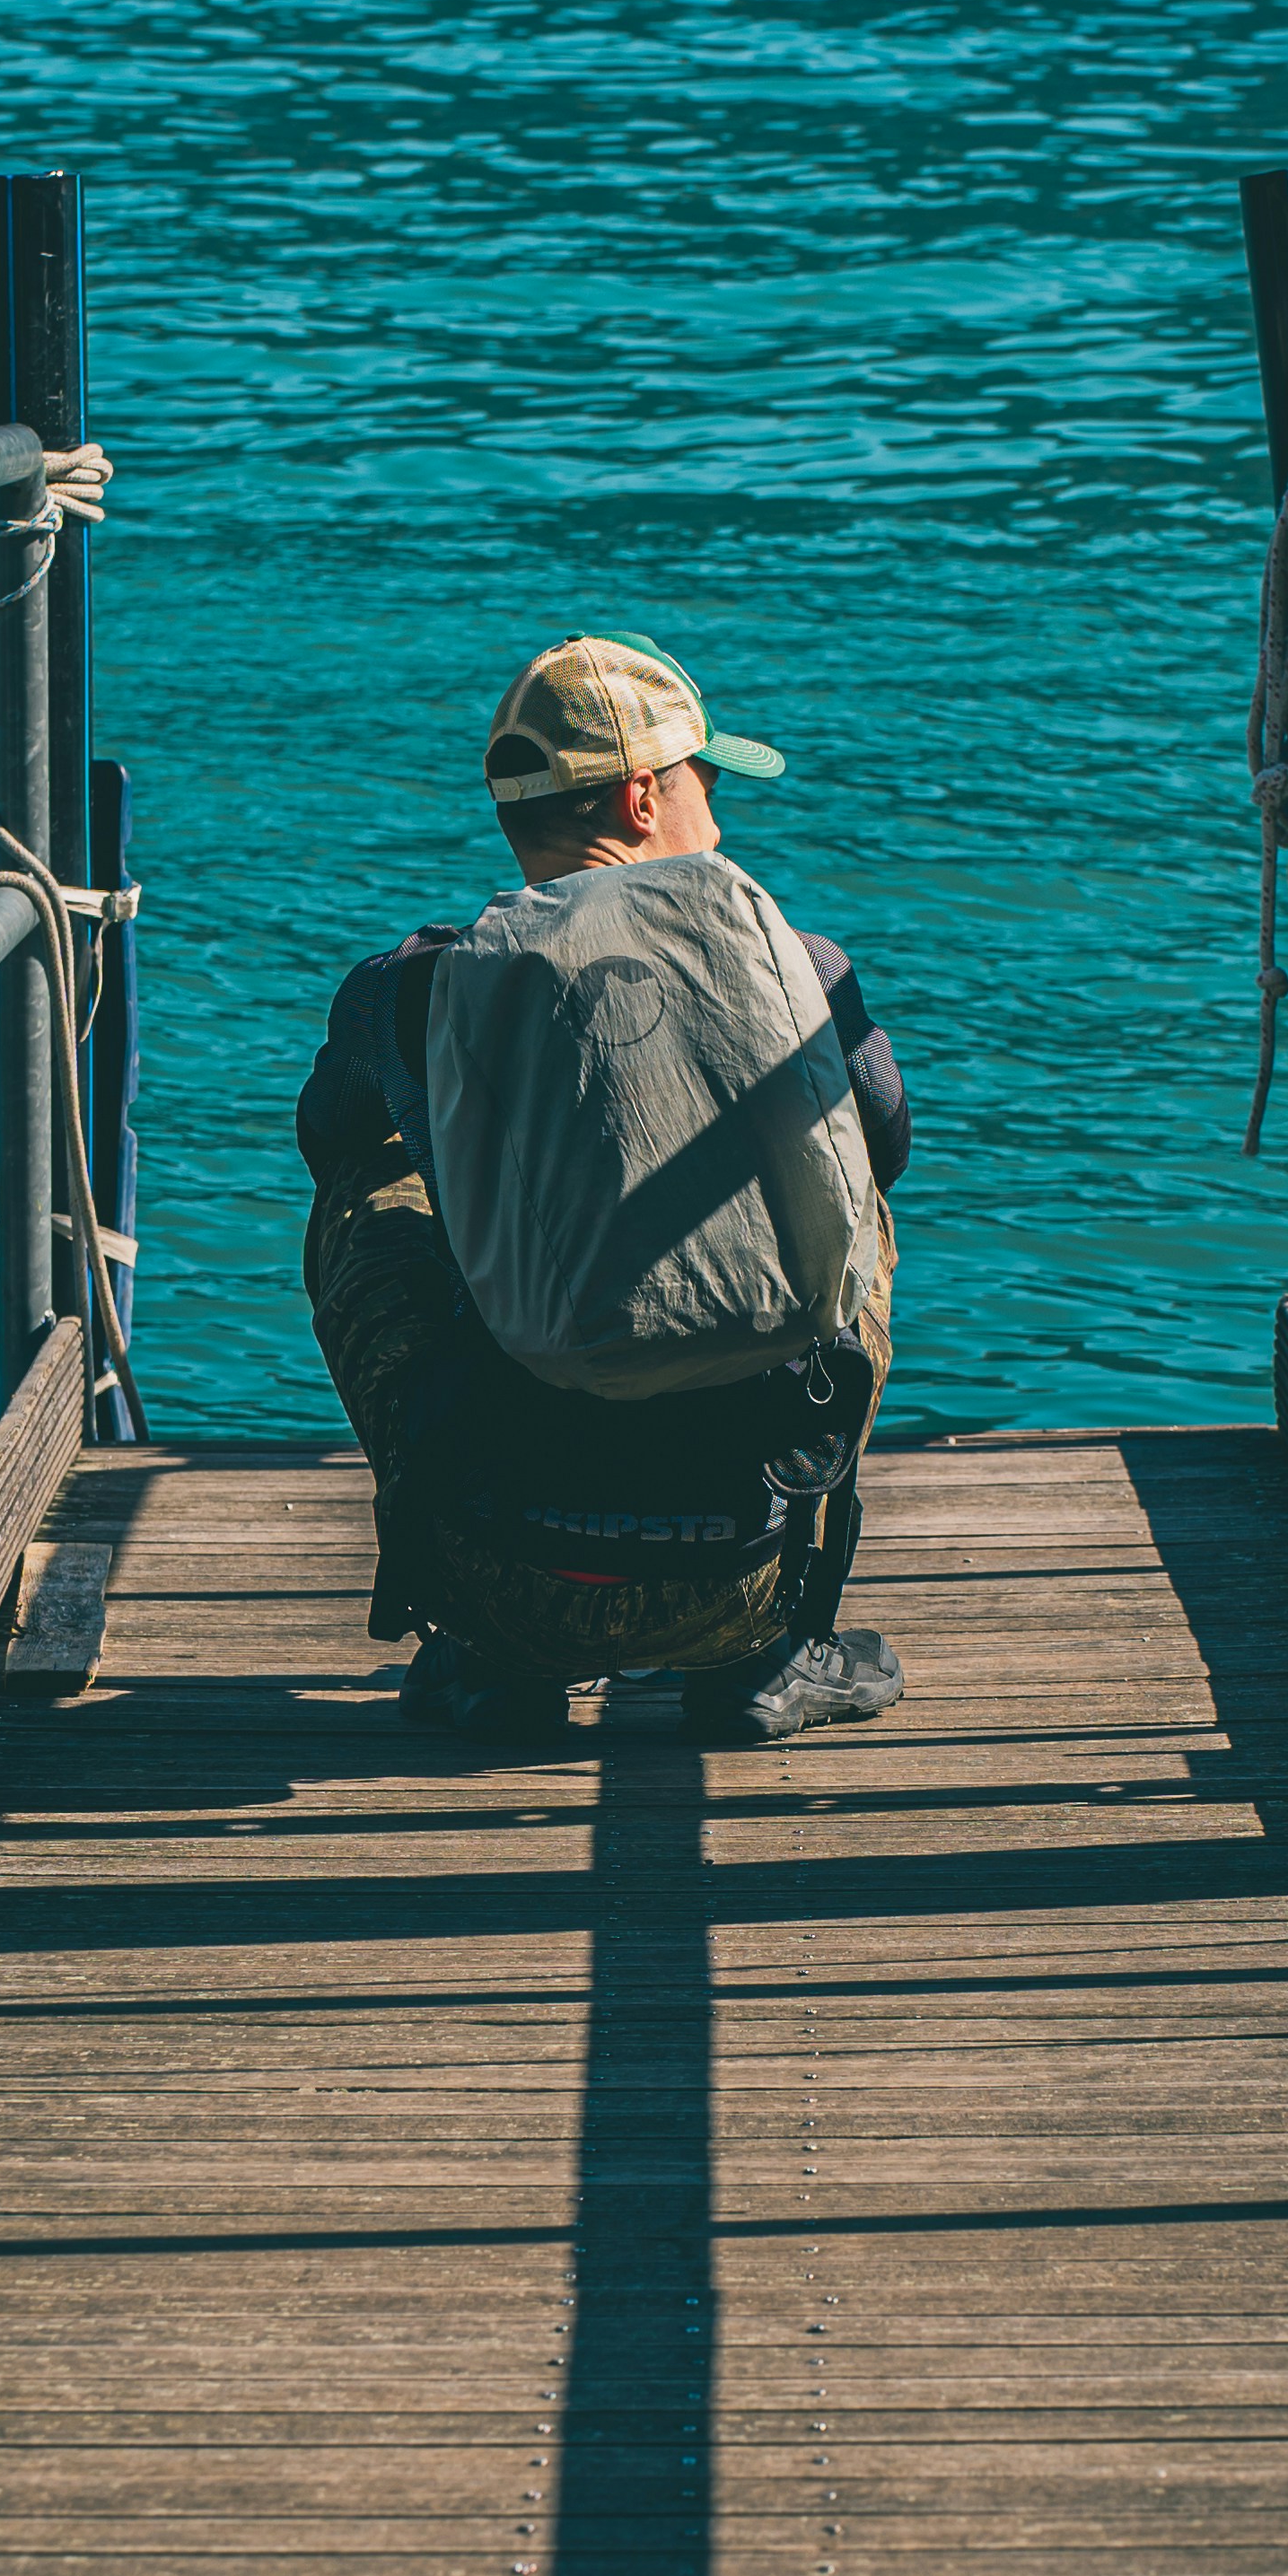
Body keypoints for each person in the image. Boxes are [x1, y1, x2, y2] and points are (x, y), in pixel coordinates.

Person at [297, 631, 914, 1745]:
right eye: (704, 780)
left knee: (368, 1194)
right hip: (740, 1575)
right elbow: (893, 1139)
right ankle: (773, 1652)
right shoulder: (805, 968)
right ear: (640, 795)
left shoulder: (413, 991)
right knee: (853, 1182)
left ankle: (488, 1653)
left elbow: (326, 1138)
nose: (716, 814)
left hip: (507, 1580)